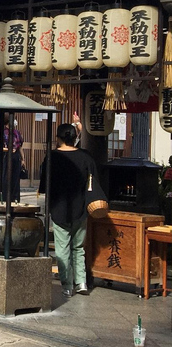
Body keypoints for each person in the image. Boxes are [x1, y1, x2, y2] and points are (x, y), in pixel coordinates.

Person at [39, 122, 99, 297]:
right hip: (81, 208)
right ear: (75, 137)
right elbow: (94, 181)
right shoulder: (86, 157)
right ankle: (81, 282)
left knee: (62, 249)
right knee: (78, 247)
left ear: (58, 138)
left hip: (59, 208)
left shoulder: (52, 157)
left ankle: (67, 285)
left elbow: (44, 185)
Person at [0, 115, 25, 203]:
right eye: (14, 119)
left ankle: (15, 199)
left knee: (15, 179)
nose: (15, 121)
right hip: (5, 158)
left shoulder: (17, 133)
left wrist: (23, 159)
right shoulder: (2, 133)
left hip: (16, 158)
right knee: (5, 179)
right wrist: (8, 149)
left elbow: (20, 147)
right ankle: (4, 199)